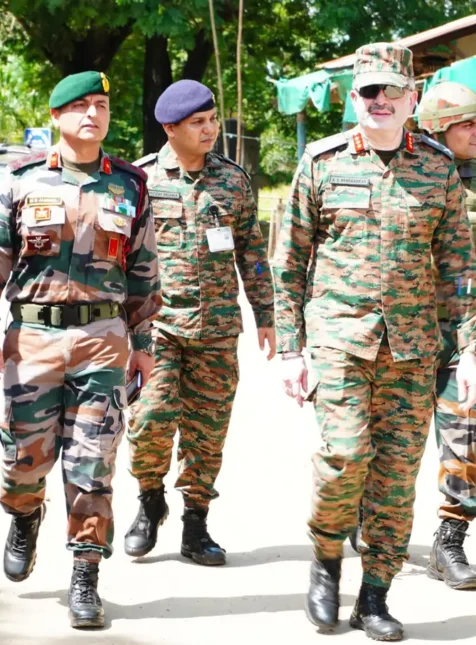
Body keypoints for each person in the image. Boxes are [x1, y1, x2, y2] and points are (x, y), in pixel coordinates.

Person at [272, 43, 476, 641]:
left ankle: (375, 593)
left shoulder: (439, 167)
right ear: (353, 98)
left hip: (414, 347)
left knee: (394, 477)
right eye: (370, 92)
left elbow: (458, 266)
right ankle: (326, 560)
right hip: (340, 340)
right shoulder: (322, 162)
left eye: (393, 91)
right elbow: (287, 262)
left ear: (412, 97)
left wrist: (467, 348)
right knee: (344, 460)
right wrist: (290, 350)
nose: (382, 102)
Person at [0, 71, 161, 629]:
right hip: (33, 341)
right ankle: (24, 514)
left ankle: (85, 572)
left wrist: (143, 344)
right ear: (56, 116)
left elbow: (144, 270)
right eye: (80, 106)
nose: (92, 115)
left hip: (103, 340)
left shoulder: (129, 185)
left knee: (93, 462)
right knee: (23, 460)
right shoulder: (21, 182)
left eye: (101, 104)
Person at [124, 79, 275, 565]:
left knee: (207, 433)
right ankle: (150, 500)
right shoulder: (142, 180)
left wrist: (265, 314)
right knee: (148, 422)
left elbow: (253, 251)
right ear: (170, 129)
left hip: (216, 328)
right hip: (158, 328)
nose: (210, 130)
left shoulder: (232, 180)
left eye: (212, 120)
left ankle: (196, 524)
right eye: (198, 123)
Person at [414, 81, 476, 590]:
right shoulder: (401, 177)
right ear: (435, 130)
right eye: (468, 124)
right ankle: (373, 522)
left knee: (466, 433)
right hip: (400, 334)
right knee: (386, 441)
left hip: (464, 336)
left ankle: (450, 540)